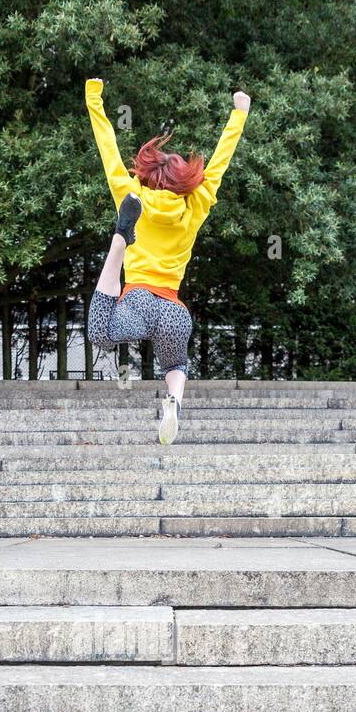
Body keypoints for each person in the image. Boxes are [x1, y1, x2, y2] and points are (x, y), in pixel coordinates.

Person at [85, 78, 250, 445]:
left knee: (100, 330)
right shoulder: (195, 204)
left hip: (138, 299)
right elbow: (221, 162)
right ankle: (173, 402)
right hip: (174, 310)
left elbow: (108, 149)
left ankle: (118, 242)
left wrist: (94, 100)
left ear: (146, 173)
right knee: (175, 365)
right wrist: (239, 114)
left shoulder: (132, 193)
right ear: (184, 181)